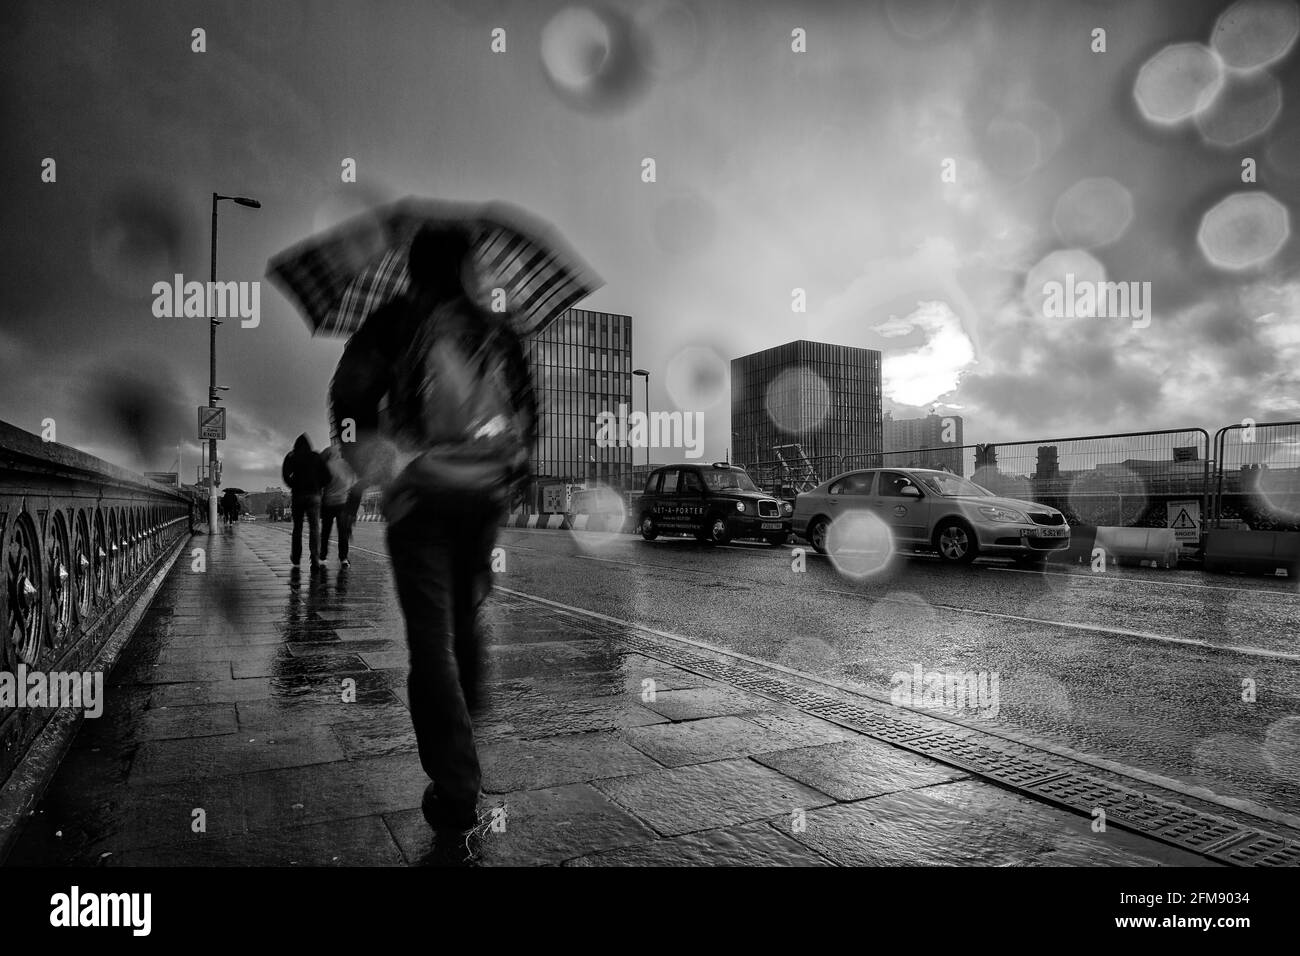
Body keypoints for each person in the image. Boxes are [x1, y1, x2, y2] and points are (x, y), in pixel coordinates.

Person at [330, 225, 536, 833]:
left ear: (413, 269)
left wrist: (374, 462)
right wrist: (511, 472)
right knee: (464, 615)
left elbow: (348, 400)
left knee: (429, 638)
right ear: (468, 266)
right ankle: (468, 701)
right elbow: (526, 409)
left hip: (420, 495)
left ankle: (455, 783)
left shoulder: (394, 321)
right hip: (482, 496)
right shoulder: (496, 326)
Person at [281, 434, 329, 569]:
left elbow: (285, 474)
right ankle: (315, 558)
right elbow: (327, 477)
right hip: (314, 495)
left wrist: (293, 484)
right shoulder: (316, 456)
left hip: (298, 495)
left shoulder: (292, 456)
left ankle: (296, 558)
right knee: (314, 528)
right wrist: (318, 485)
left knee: (297, 527)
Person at [319, 443, 357, 568]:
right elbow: (353, 485)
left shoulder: (327, 466)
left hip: (328, 502)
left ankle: (322, 556)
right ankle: (343, 558)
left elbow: (321, 485)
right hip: (343, 503)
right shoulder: (348, 466)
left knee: (325, 531)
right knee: (343, 533)